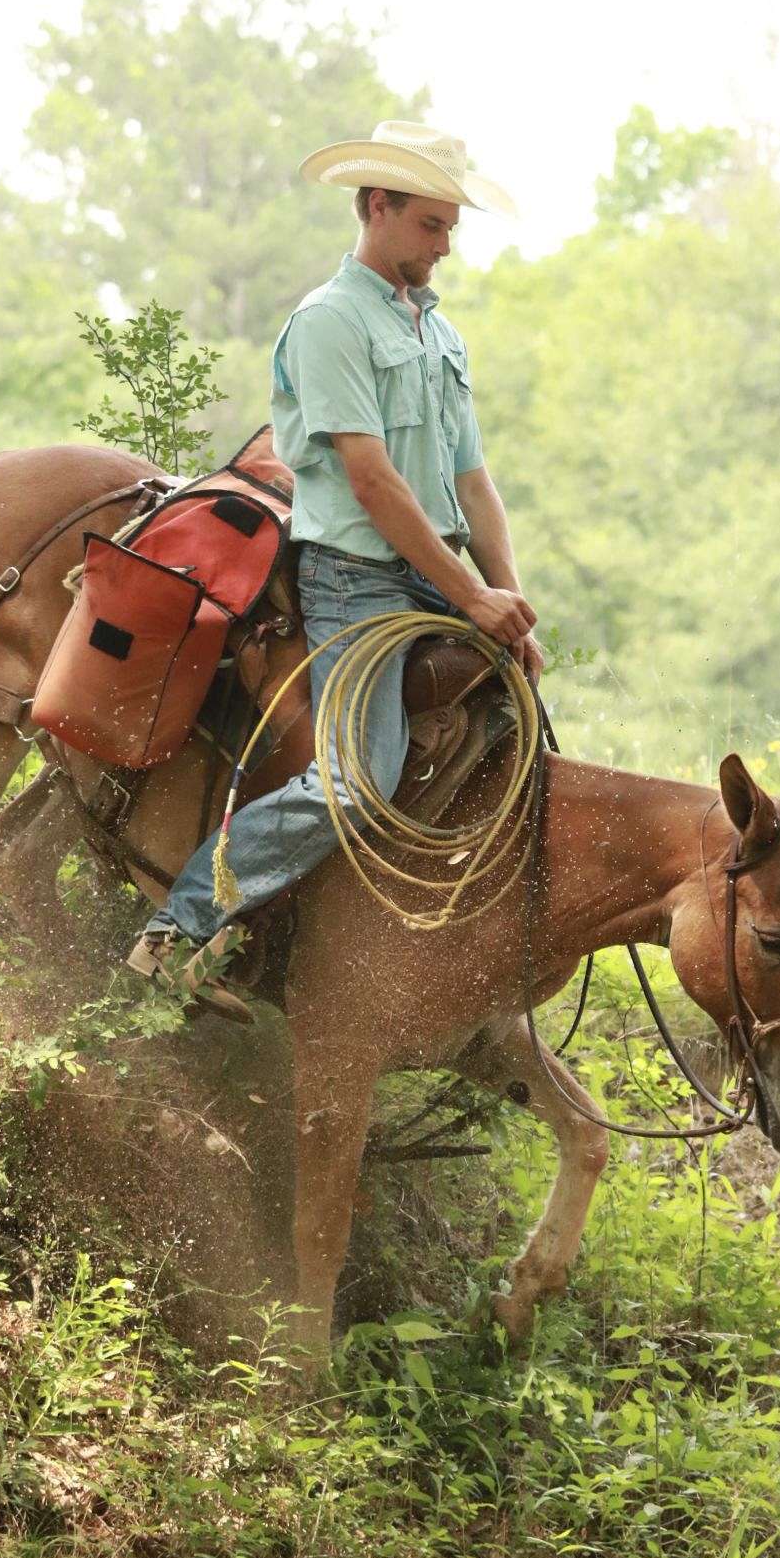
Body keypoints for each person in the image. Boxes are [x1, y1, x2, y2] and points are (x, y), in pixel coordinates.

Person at [127, 121, 543, 1007]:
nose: (443, 245)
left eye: (450, 229)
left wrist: (508, 596)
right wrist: (470, 595)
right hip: (356, 575)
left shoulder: (442, 336)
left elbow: (472, 478)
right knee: (356, 785)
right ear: (375, 206)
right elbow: (370, 476)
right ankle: (181, 927)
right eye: (429, 225)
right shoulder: (327, 322)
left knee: (518, 736)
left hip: (435, 573)